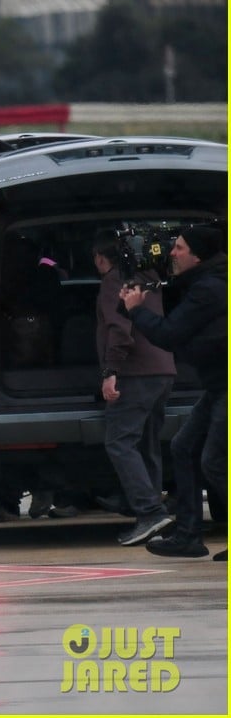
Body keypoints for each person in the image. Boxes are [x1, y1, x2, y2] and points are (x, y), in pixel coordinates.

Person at [120, 223, 227, 560]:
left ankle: (190, 533)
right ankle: (188, 535)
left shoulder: (210, 289)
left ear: (197, 256)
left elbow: (170, 333)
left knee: (215, 462)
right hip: (217, 385)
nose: (172, 253)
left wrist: (136, 310)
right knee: (184, 447)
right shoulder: (203, 283)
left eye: (179, 247)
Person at [91, 231, 176, 546]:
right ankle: (156, 511)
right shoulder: (150, 277)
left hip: (135, 372)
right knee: (147, 443)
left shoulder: (114, 280)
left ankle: (149, 512)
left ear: (102, 259)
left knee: (120, 443)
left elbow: (120, 328)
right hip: (163, 369)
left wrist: (110, 371)